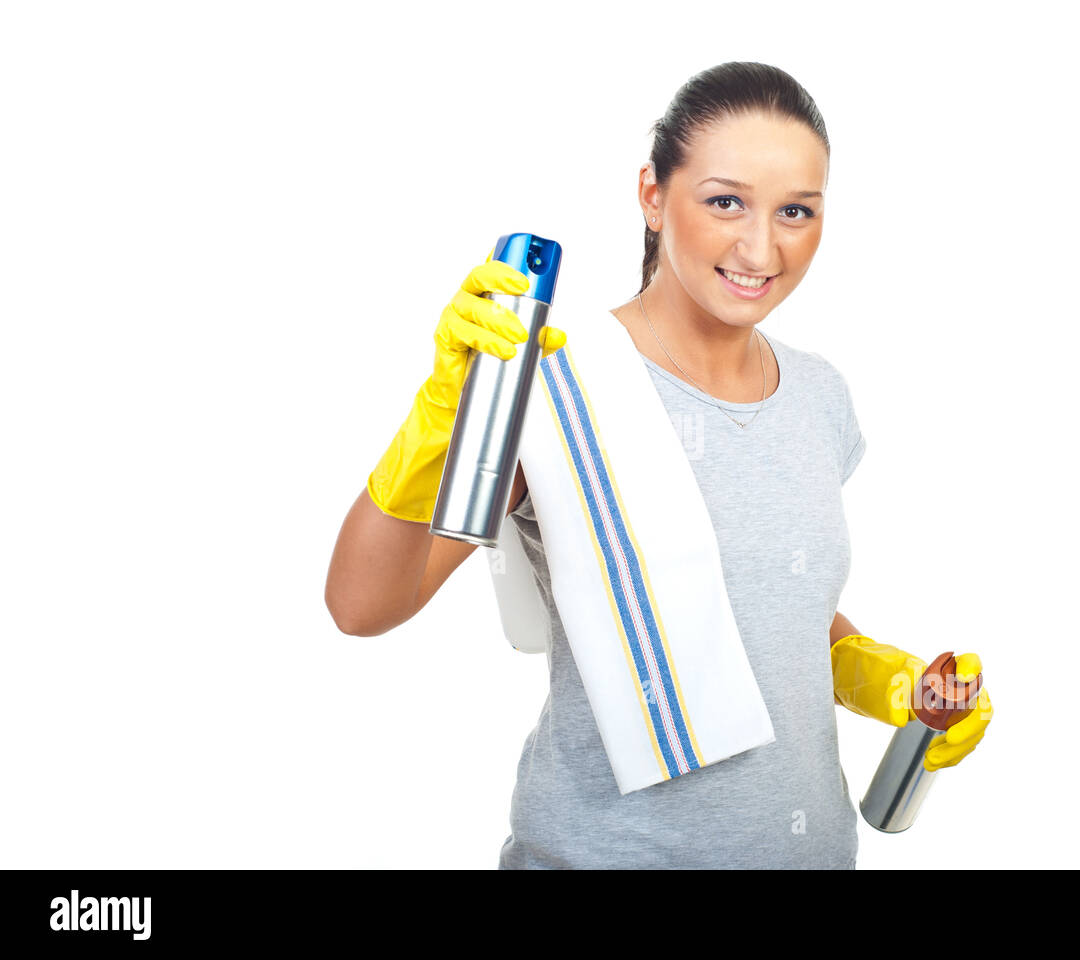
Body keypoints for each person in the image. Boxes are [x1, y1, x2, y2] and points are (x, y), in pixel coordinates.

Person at [325, 61, 993, 869]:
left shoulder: (819, 394)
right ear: (651, 194)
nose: (761, 246)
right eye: (724, 201)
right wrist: (435, 424)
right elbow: (362, 604)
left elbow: (767, 615)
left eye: (795, 211)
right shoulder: (555, 382)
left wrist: (891, 682)